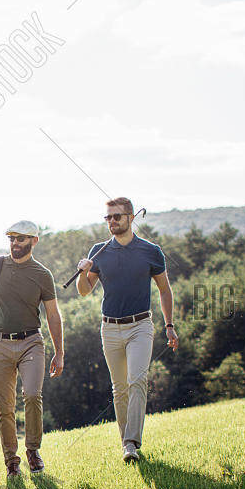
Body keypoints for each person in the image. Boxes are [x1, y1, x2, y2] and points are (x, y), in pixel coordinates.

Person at [76, 197, 178, 462]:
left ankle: (131, 442)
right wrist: (83, 273)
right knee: (119, 388)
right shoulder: (98, 251)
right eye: (108, 217)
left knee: (137, 380)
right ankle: (126, 444)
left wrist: (169, 326)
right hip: (109, 328)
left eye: (117, 217)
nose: (112, 221)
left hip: (141, 325)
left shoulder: (150, 251)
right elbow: (85, 292)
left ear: (131, 218)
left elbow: (165, 290)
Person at [0, 220, 64, 477]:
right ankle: (12, 460)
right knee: (5, 407)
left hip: (31, 342)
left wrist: (59, 352)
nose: (15, 244)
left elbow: (53, 315)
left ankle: (33, 450)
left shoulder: (43, 274)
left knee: (32, 394)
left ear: (34, 241)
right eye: (11, 238)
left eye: (21, 239)